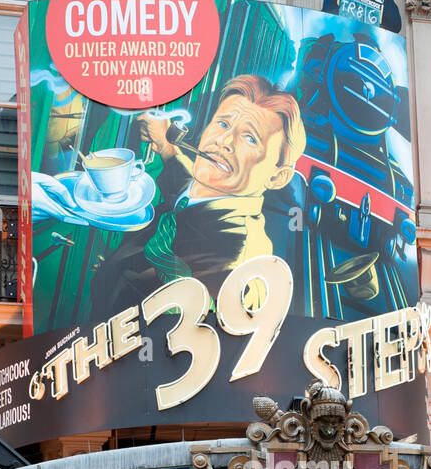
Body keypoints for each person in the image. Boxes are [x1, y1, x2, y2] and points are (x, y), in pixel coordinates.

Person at [94, 73, 306, 310]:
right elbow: (192, 192)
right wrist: (166, 146)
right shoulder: (215, 192)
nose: (224, 140)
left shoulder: (233, 261)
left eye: (250, 138)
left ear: (277, 177)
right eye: (223, 124)